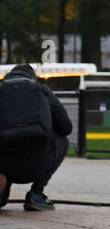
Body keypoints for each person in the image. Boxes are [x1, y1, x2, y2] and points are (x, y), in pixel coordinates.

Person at [0, 64, 72, 211]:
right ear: (33, 77)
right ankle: (36, 194)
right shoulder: (41, 90)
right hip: (38, 163)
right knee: (63, 141)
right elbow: (66, 127)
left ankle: (2, 190)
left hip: (4, 165)